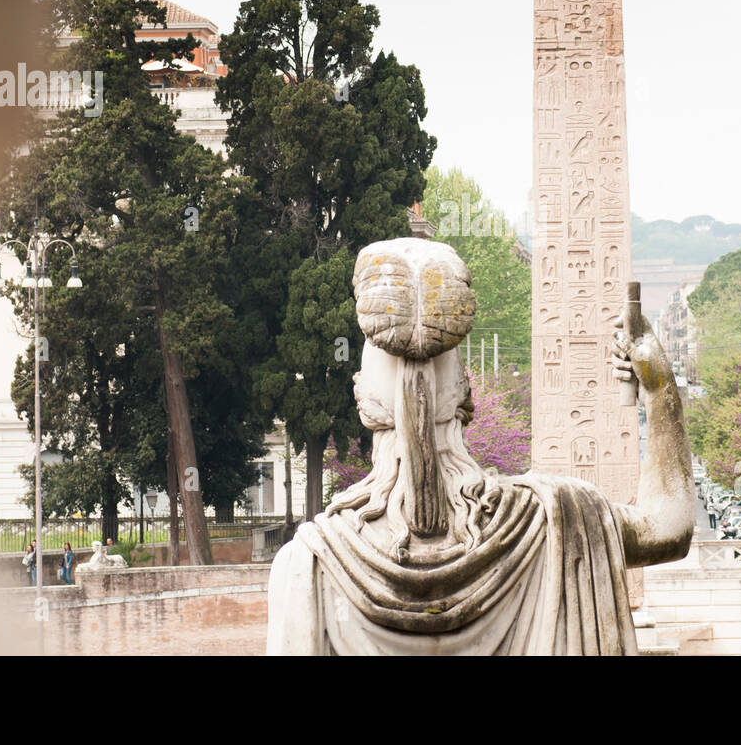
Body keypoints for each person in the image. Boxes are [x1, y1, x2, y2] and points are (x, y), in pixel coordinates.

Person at [267, 239, 695, 656]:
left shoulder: (305, 566)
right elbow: (668, 529)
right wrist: (658, 389)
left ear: (364, 403)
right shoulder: (556, 520)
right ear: (464, 395)